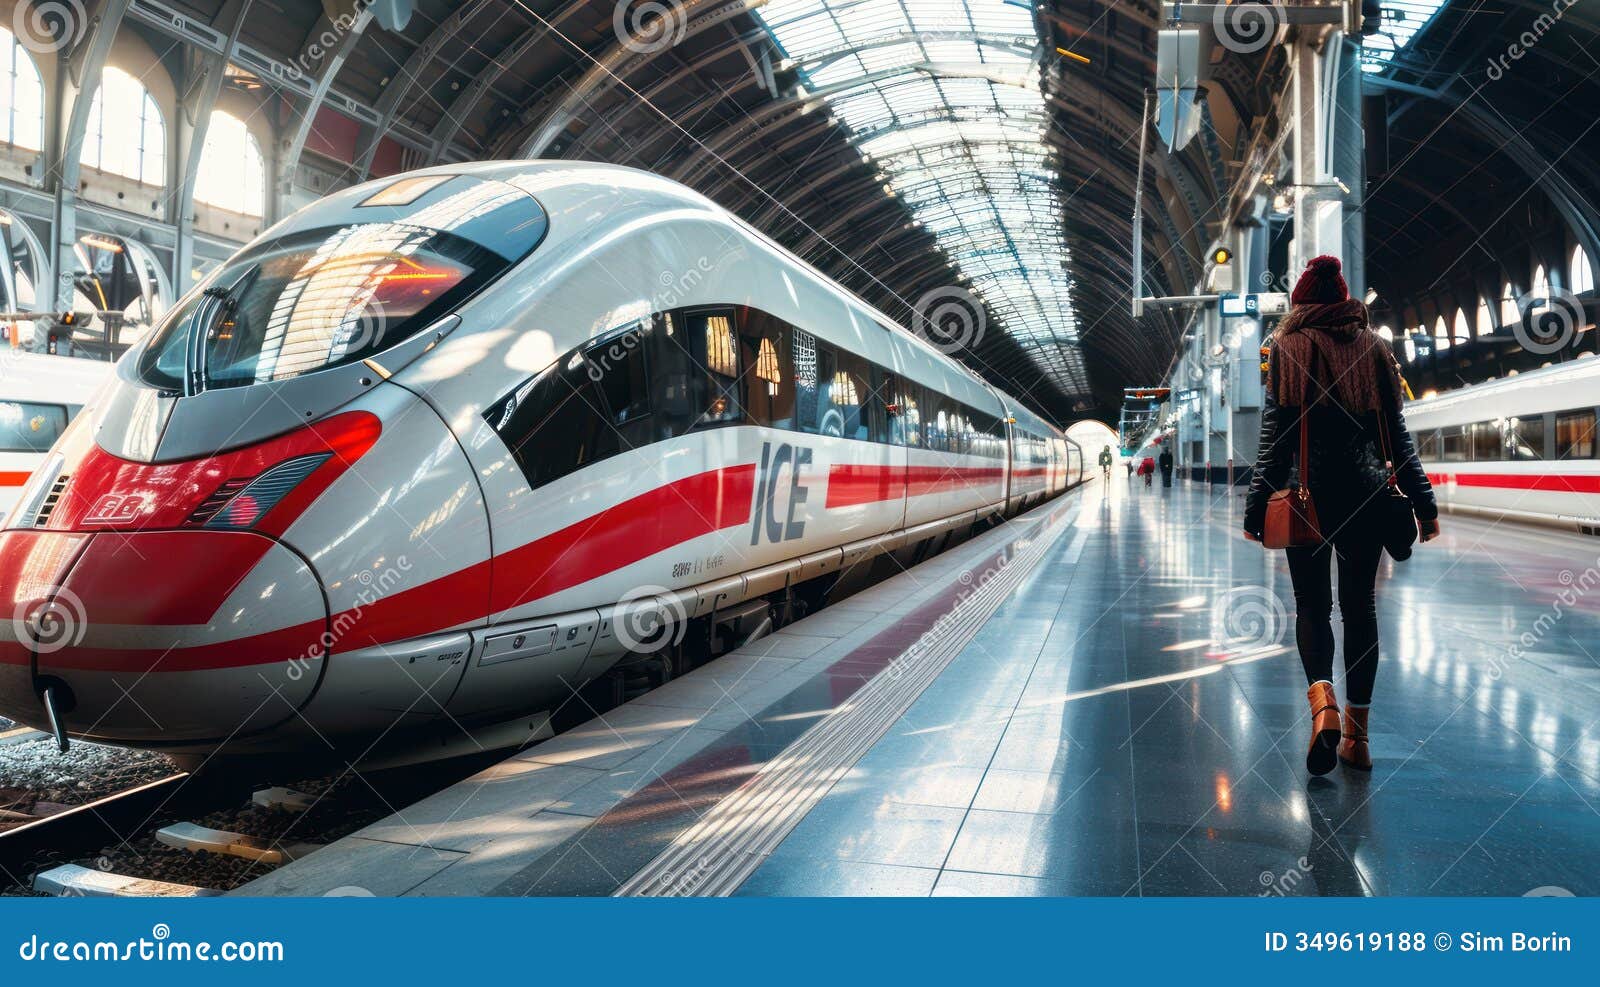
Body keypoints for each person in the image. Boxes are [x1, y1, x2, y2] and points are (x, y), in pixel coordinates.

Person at [1242, 255, 1439, 776]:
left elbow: (1275, 444)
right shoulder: (1376, 351)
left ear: (1300, 303)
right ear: (1346, 302)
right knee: (1361, 610)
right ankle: (1358, 739)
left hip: (1307, 499)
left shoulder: (1285, 349)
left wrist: (1255, 507)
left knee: (1312, 606)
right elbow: (1398, 442)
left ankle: (1322, 706)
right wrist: (1425, 504)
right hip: (1370, 499)